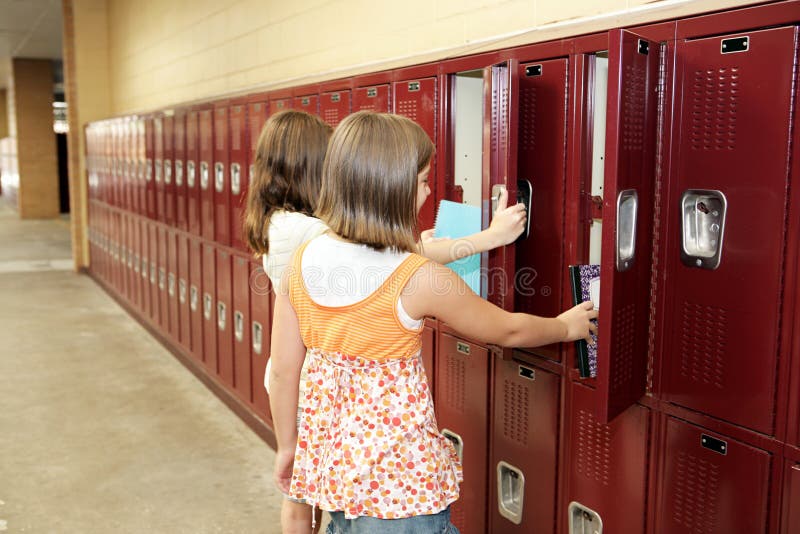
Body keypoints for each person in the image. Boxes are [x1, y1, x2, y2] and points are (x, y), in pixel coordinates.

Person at [269, 111, 597, 533]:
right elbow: (507, 329)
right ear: (393, 188)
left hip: (336, 480)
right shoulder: (417, 278)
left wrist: (287, 447)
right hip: (400, 490)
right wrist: (566, 327)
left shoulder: (302, 261)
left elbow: (284, 371)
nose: (428, 191)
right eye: (424, 180)